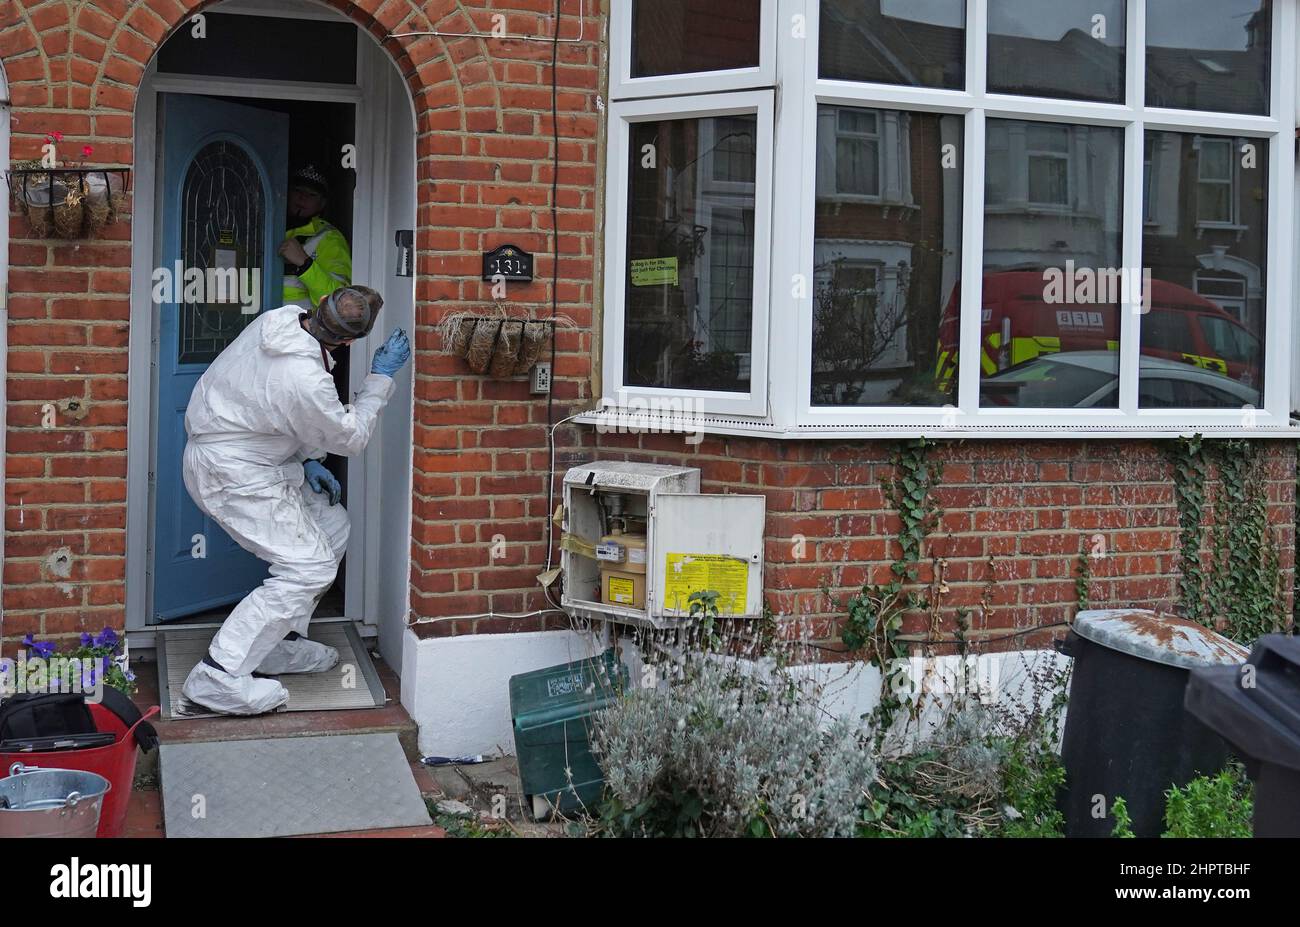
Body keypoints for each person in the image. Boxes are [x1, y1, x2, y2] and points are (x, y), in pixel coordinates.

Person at [180, 286, 411, 715]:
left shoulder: (280, 319)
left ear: (319, 302)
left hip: (250, 456)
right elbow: (350, 438)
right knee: (309, 565)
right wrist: (380, 378)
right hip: (234, 473)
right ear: (349, 342)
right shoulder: (306, 378)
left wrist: (305, 458)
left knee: (332, 525)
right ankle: (219, 675)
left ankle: (277, 643)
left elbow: (265, 401)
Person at [280, 165, 351, 310]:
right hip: (260, 319)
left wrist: (304, 264)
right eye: (298, 190)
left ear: (322, 204)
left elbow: (340, 301)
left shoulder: (329, 238)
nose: (302, 197)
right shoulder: (266, 227)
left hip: (302, 327)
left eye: (312, 194)